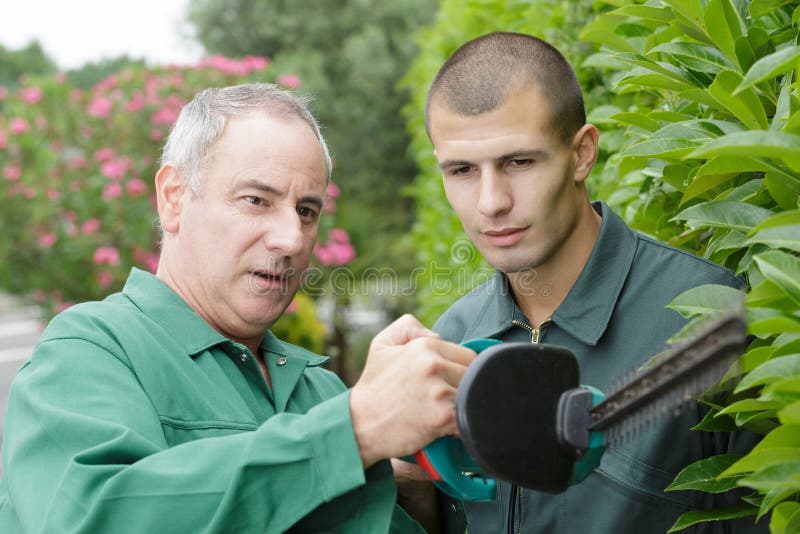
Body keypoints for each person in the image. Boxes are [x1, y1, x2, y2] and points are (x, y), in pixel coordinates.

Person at [0, 83, 475, 533]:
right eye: (256, 200)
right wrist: (356, 430)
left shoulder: (323, 391)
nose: (292, 239)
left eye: (306, 211)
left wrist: (414, 498)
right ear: (174, 198)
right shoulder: (88, 352)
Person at [416, 32, 762, 533]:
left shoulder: (712, 320)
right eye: (462, 170)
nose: (491, 202)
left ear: (582, 154)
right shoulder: (450, 342)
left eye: (519, 162)